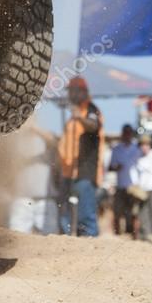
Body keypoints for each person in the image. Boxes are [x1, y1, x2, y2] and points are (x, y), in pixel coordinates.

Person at [57, 76, 104, 237]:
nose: (70, 94)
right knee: (64, 212)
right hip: (68, 171)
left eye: (72, 91)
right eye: (69, 91)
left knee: (85, 213)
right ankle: (68, 242)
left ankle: (89, 243)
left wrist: (79, 117)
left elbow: (93, 126)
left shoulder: (91, 110)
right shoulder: (72, 116)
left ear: (82, 92)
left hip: (86, 172)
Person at [109, 124, 141, 237]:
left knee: (135, 212)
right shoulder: (116, 149)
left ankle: (135, 236)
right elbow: (110, 167)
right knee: (117, 212)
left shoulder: (137, 149)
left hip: (134, 186)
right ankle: (117, 236)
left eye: (129, 133)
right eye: (125, 133)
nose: (127, 135)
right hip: (120, 185)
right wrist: (116, 167)